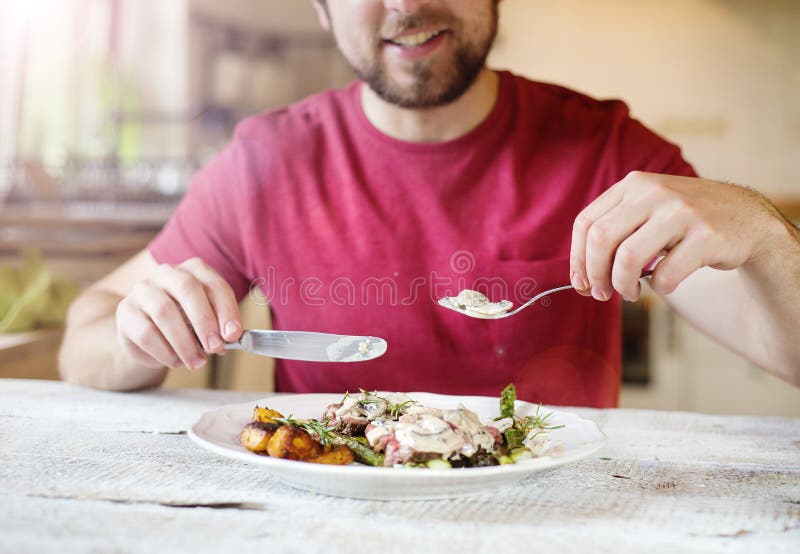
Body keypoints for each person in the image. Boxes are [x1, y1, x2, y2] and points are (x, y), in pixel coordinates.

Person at [59, 0, 800, 406]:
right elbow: (82, 340)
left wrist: (765, 235)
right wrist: (134, 338)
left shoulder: (605, 146)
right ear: (320, 9)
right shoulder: (266, 159)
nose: (408, 4)